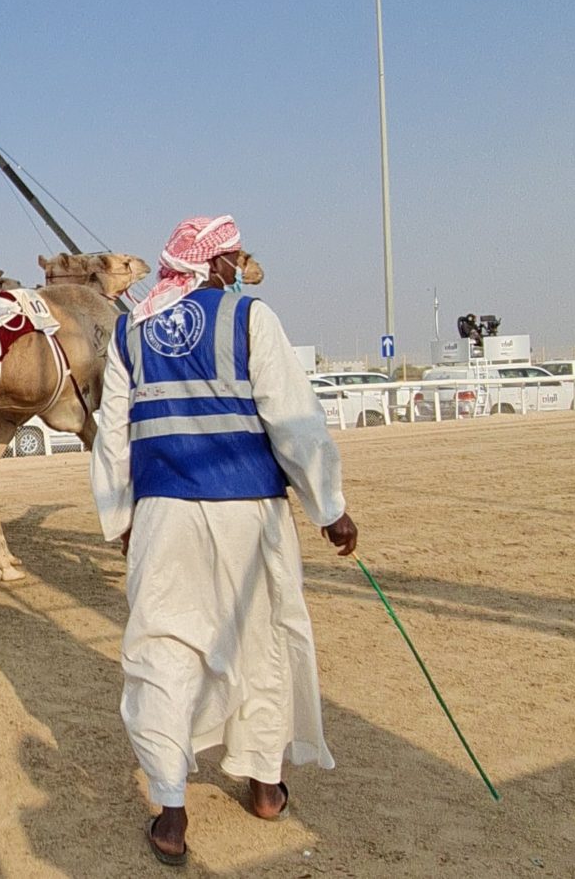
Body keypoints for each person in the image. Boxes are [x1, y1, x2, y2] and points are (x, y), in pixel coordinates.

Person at [89, 215, 359, 867]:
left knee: (162, 652)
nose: (239, 268)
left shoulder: (130, 329)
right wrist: (330, 507)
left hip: (163, 516)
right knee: (261, 642)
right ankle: (265, 788)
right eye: (233, 259)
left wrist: (120, 520)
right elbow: (294, 418)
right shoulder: (249, 318)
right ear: (213, 264)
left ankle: (172, 814)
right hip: (250, 512)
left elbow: (112, 436)